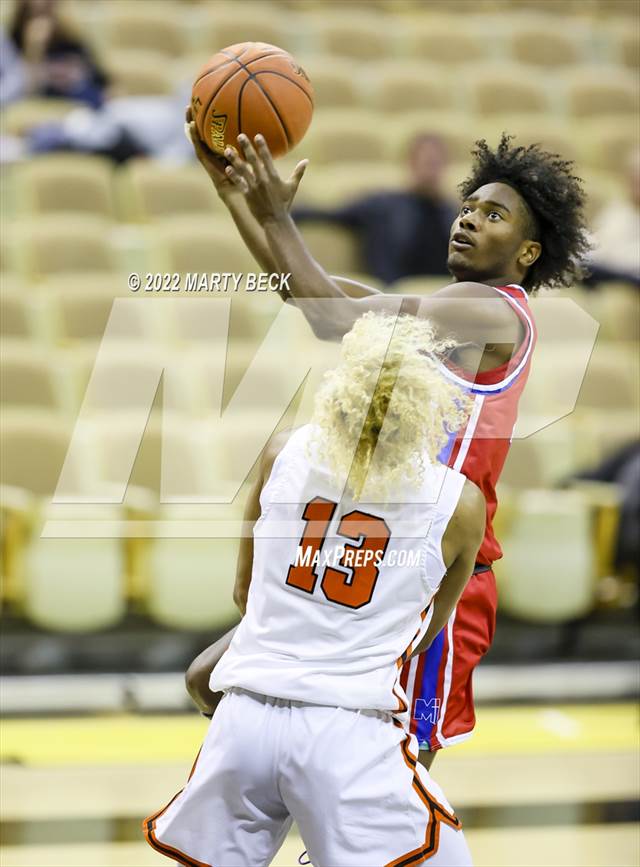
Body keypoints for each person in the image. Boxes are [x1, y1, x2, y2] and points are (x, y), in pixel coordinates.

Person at [186, 122, 590, 774]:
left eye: (494, 215)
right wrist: (235, 195)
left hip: (437, 567)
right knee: (210, 678)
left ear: (526, 253)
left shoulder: (492, 311)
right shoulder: (449, 307)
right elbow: (308, 292)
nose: (468, 221)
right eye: (467, 207)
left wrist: (277, 213)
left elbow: (330, 316)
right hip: (380, 545)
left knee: (401, 769)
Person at [144, 312, 485, 866]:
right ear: (432, 402)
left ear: (342, 386)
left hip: (243, 720)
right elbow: (421, 637)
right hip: (346, 731)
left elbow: (244, 593)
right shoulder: (460, 503)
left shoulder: (283, 453)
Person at [292, 133, 456, 284]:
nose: (432, 171)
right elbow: (331, 214)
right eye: (427, 162)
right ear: (411, 164)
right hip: (392, 293)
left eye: (436, 163)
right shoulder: (382, 206)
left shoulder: (452, 215)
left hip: (440, 295)